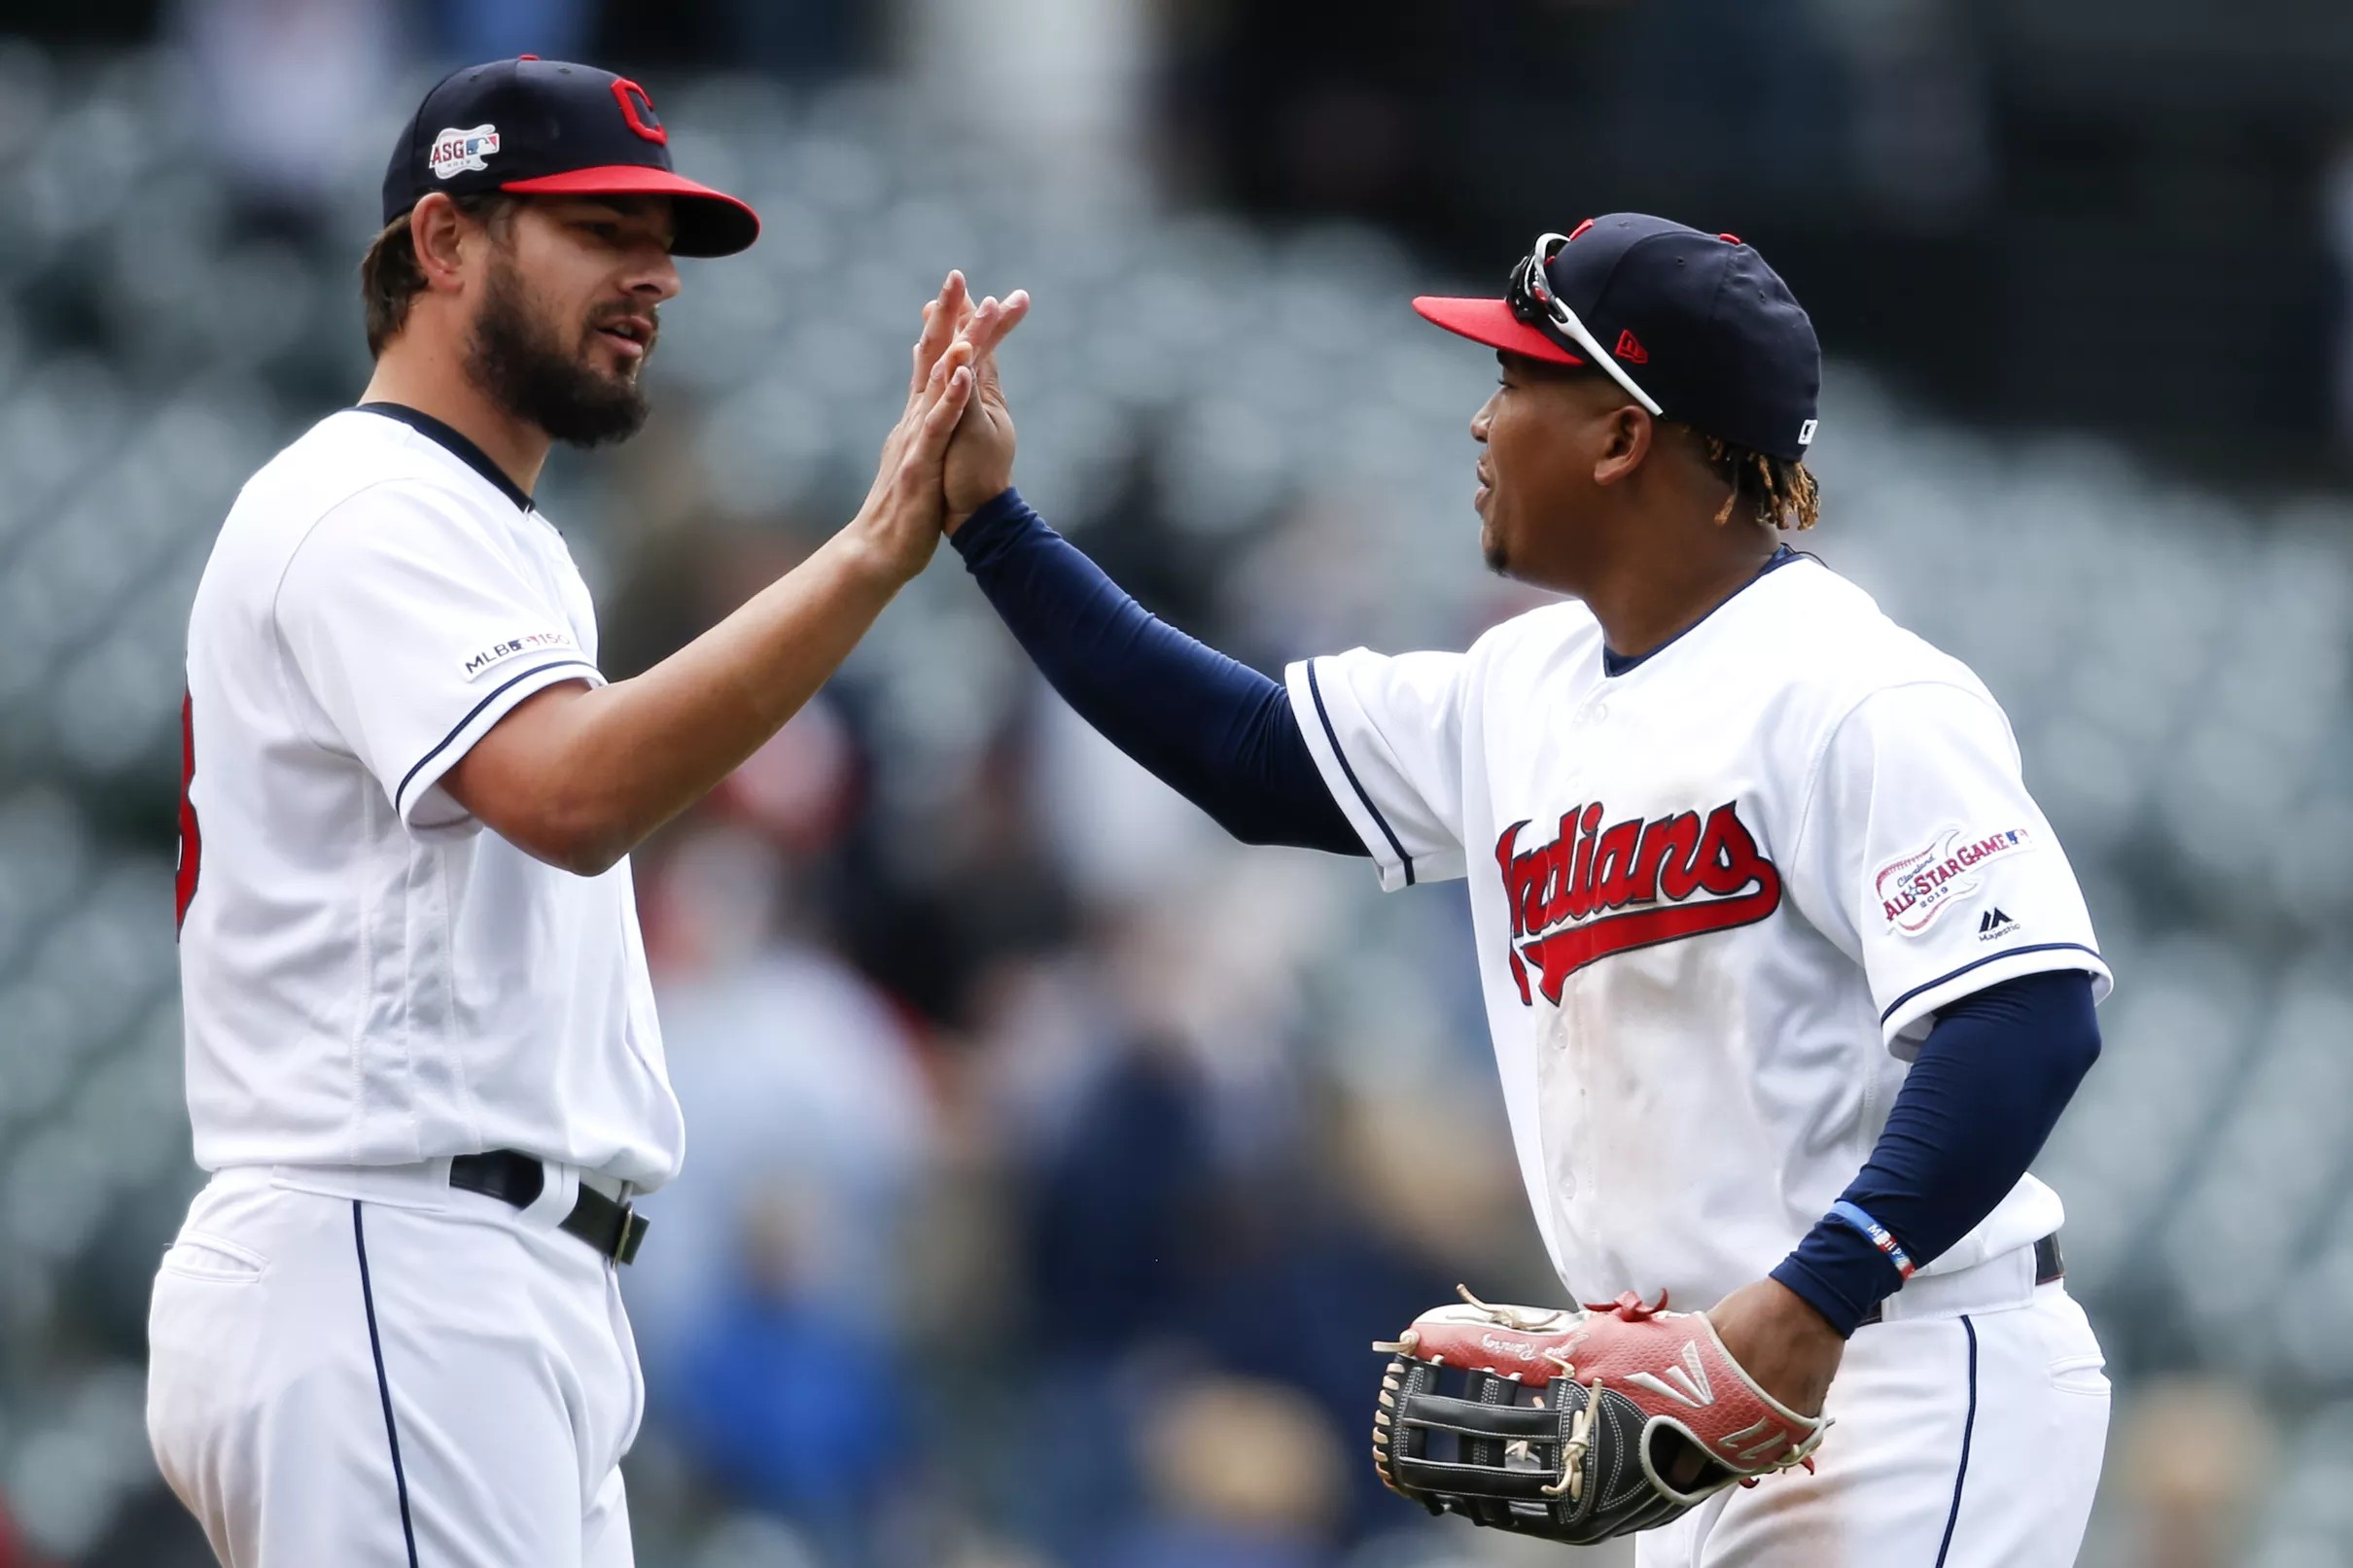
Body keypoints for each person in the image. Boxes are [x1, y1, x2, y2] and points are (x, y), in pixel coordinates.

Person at [934, 216, 2111, 1565]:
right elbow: (1250, 757)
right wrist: (992, 528)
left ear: (1619, 437)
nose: (1483, 422)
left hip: (1898, 1371)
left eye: (1516, 382)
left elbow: (2030, 1015)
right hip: (1707, 1399)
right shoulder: (1519, 689)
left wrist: (1809, 1301)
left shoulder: (1856, 694)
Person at [149, 56, 1020, 1567]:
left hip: (469, 1276)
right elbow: (571, 791)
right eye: (601, 227)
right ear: (443, 245)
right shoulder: (369, 500)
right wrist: (880, 546)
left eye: (662, 241)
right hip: (393, 1254)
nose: (654, 277)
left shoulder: (495, 532)